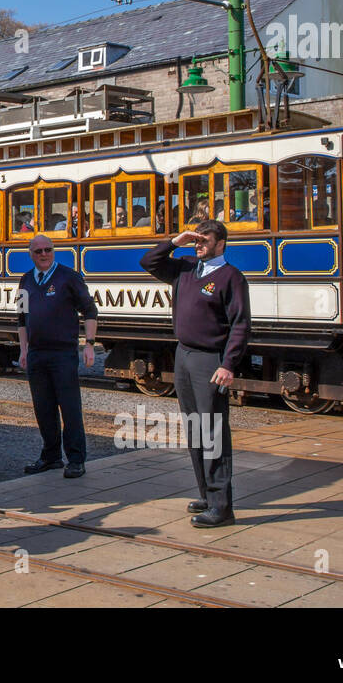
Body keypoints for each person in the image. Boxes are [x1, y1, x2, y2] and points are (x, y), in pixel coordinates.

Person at [140, 219, 250, 528]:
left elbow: (240, 324)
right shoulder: (185, 267)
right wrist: (177, 240)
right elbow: (148, 261)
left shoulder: (231, 278)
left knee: (213, 430)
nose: (199, 245)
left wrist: (228, 363)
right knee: (195, 429)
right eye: (197, 240)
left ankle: (222, 506)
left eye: (205, 241)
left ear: (221, 244)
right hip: (184, 355)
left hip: (210, 360)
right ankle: (206, 494)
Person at [17, 234, 98, 478]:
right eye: (38, 251)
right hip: (37, 354)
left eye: (48, 250)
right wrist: (23, 350)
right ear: (30, 254)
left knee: (69, 408)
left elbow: (90, 311)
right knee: (43, 408)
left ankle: (76, 459)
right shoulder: (26, 280)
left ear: (53, 251)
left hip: (63, 353)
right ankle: (51, 456)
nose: (43, 254)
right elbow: (22, 319)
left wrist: (90, 344)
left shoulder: (69, 277)